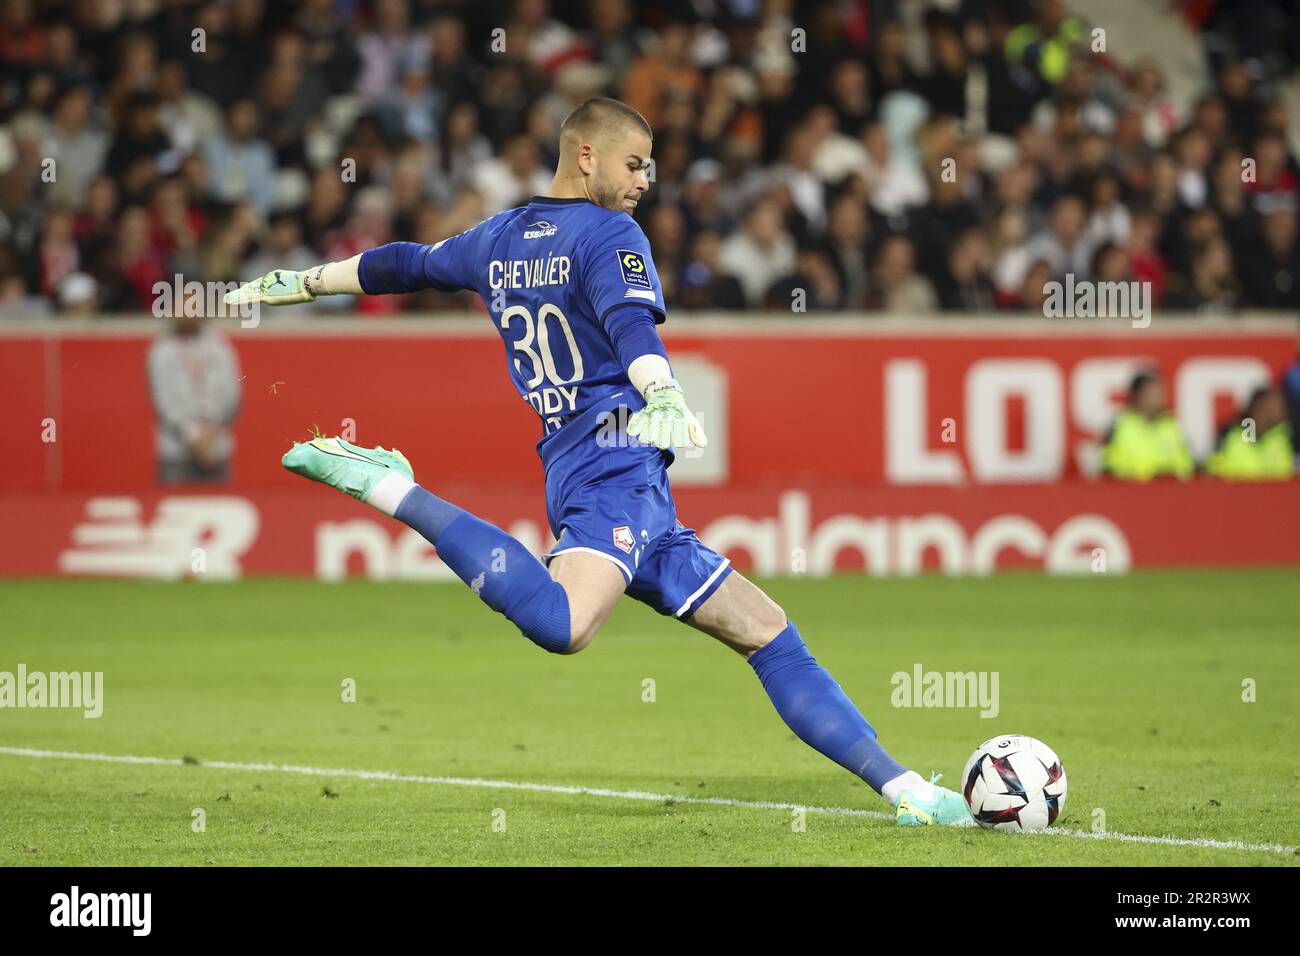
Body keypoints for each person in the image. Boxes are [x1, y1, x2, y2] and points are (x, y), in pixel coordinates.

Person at [226, 97, 971, 827]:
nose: (647, 180)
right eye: (635, 163)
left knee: (764, 628)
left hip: (607, 471)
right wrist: (664, 390)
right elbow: (628, 322)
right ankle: (391, 486)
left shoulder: (499, 237)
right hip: (612, 461)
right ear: (587, 156)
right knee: (564, 625)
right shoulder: (609, 232)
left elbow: (407, 266)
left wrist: (304, 282)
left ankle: (904, 789)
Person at [146, 310, 242, 483]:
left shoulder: (219, 345)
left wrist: (211, 432)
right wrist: (194, 437)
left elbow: (231, 395)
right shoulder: (162, 349)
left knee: (217, 507)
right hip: (176, 453)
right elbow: (164, 402)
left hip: (216, 449)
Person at [1100, 368, 1195, 481]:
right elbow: (1109, 466)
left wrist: (1167, 474)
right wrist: (1149, 474)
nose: (1160, 397)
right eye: (1153, 392)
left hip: (1169, 492)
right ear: (1139, 395)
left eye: (1160, 391)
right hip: (1131, 493)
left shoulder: (1171, 427)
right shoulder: (1120, 426)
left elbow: (1187, 464)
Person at [1205, 386, 1295, 480]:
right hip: (1236, 493)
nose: (1281, 409)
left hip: (1277, 494)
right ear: (1259, 407)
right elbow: (1213, 475)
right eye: (1274, 405)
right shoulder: (1233, 437)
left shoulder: (1283, 438)